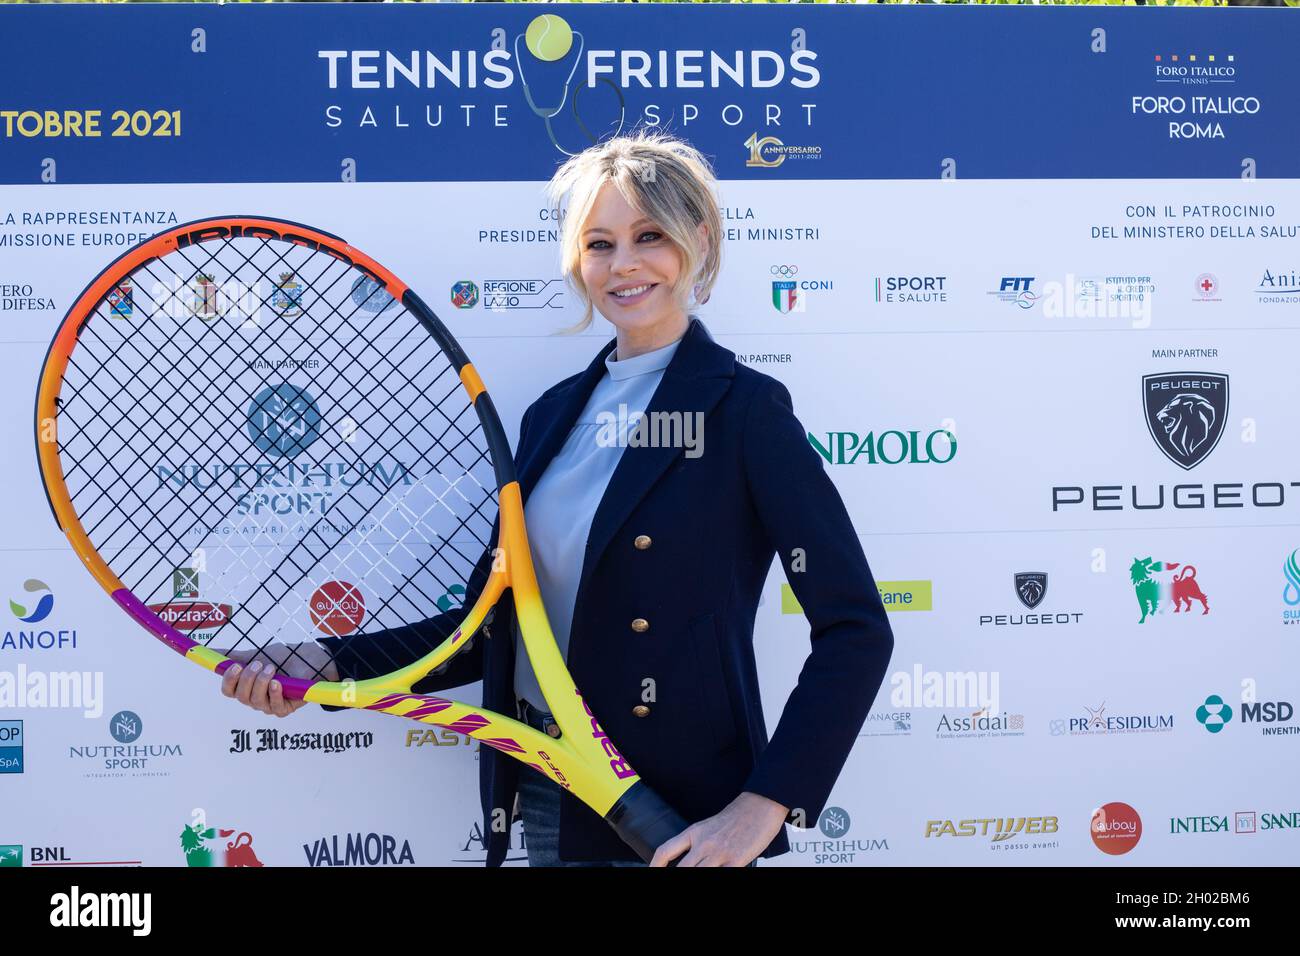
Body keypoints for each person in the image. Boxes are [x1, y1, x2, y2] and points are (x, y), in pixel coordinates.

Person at [221, 129, 894, 867]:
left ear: (698, 240)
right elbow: (488, 632)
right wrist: (322, 663)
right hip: (551, 796)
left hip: (691, 813)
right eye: (599, 244)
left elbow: (856, 628)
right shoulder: (551, 416)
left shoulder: (745, 412)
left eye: (649, 236)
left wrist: (762, 807)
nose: (624, 264)